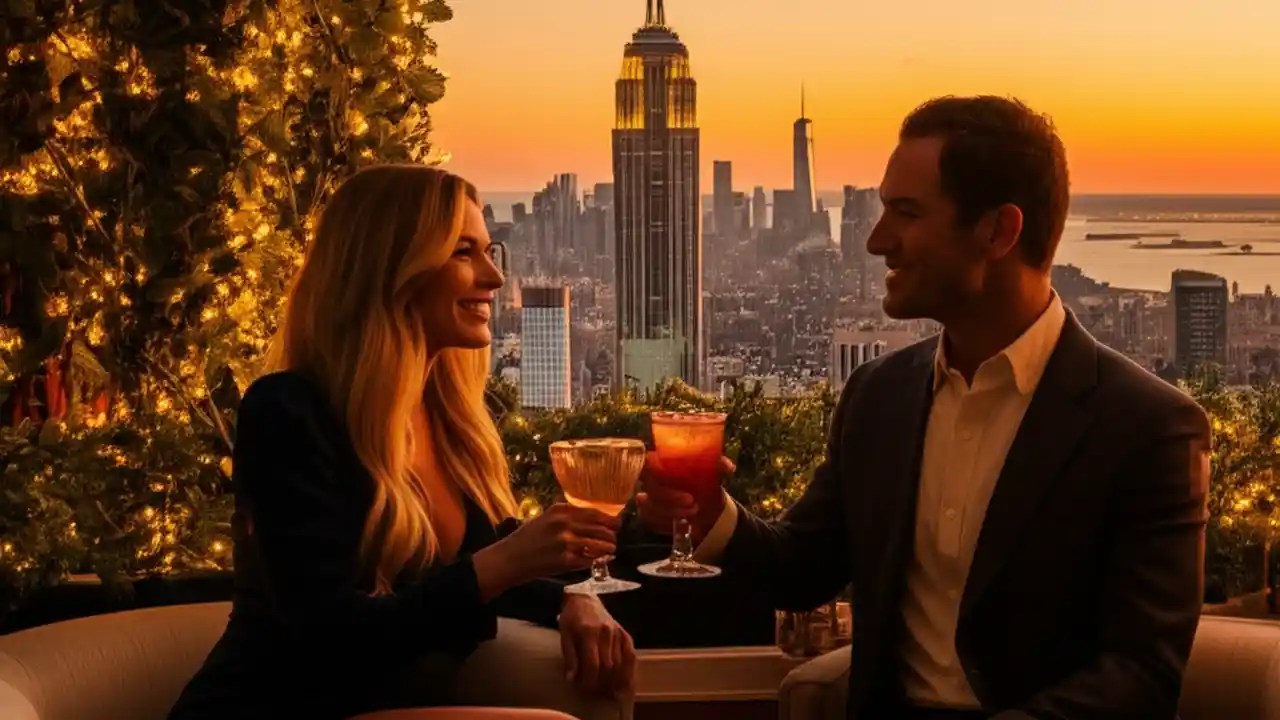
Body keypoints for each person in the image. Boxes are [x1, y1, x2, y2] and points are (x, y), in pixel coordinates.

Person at [637, 96, 1211, 720]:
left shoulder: (1146, 427)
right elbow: (803, 568)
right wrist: (712, 512)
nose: (878, 240)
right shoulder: (879, 396)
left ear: (998, 231)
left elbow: (1141, 674)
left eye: (905, 213)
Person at [169, 165, 636, 720]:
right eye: (464, 252)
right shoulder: (288, 412)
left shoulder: (451, 421)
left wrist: (569, 598)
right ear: (390, 268)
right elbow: (328, 637)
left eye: (492, 251)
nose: (493, 277)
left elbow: (457, 583)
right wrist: (501, 564)